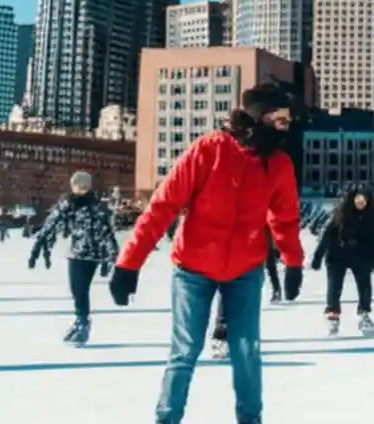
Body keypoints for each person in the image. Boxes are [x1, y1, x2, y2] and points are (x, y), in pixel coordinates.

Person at [108, 82, 305, 424]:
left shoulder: (279, 164)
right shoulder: (209, 150)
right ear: (260, 117)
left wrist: (293, 263)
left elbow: (285, 219)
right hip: (193, 270)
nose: (287, 127)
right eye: (281, 119)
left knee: (247, 352)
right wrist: (129, 263)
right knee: (184, 352)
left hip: (245, 270)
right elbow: (163, 205)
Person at [28, 171, 120, 345]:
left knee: (80, 289)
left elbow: (107, 232)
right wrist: (40, 242)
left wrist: (112, 256)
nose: (80, 189)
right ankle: (81, 320)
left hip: (91, 255)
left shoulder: (97, 207)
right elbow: (52, 222)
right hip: (77, 253)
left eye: (83, 186)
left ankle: (82, 322)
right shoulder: (70, 204)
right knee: (77, 289)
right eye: (78, 186)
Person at [313, 185, 374, 336]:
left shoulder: (372, 219)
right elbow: (326, 237)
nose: (361, 204)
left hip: (361, 256)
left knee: (365, 285)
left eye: (364, 201)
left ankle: (364, 313)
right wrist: (318, 256)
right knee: (335, 285)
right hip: (338, 255)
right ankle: (333, 314)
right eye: (358, 200)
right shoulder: (340, 216)